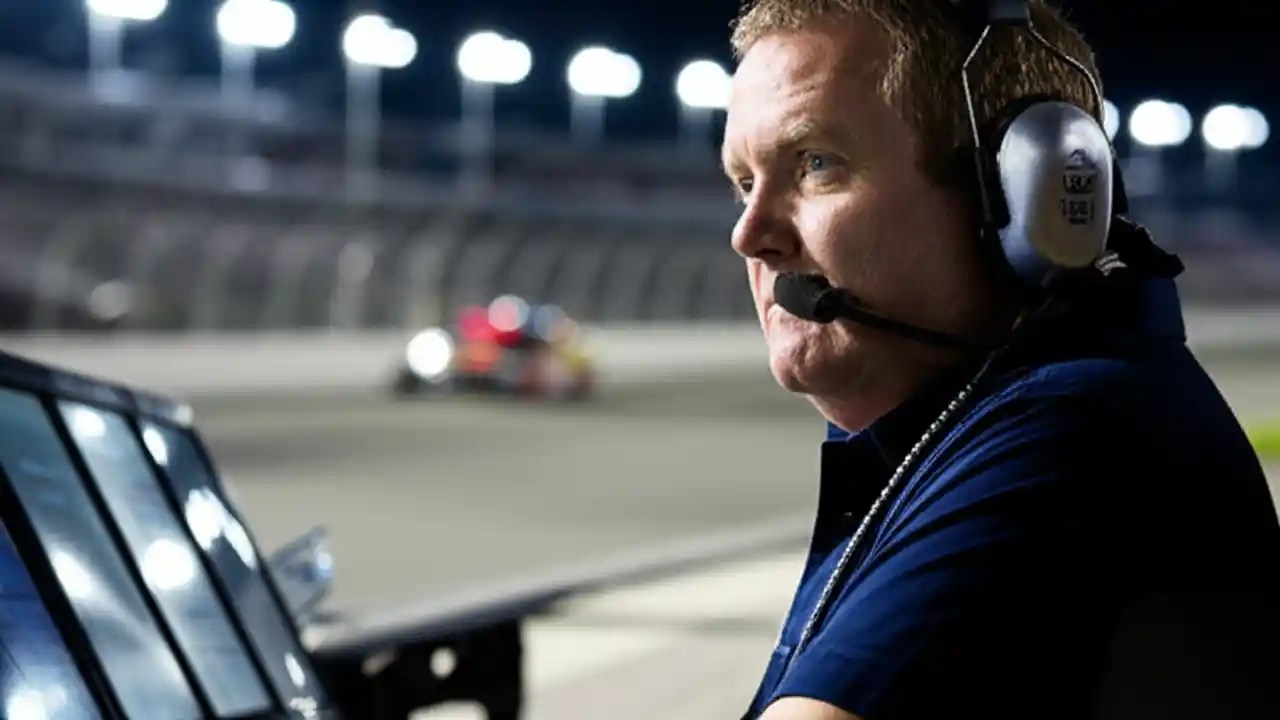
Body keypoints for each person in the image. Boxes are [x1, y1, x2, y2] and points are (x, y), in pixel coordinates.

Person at [720, 1, 1280, 719]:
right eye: (743, 181)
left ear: (1031, 194)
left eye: (815, 165)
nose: (749, 233)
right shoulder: (964, 416)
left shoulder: (1076, 433)